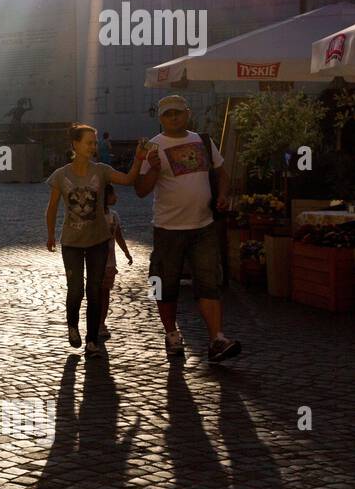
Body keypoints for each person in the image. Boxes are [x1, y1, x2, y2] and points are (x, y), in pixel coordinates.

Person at [135, 94, 241, 363]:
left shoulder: (202, 141)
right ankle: (171, 334)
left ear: (187, 113)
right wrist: (154, 170)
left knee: (209, 283)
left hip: (203, 226)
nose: (173, 118)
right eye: (168, 114)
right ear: (160, 118)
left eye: (178, 113)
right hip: (168, 228)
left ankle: (217, 339)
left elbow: (221, 173)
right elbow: (141, 190)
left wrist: (223, 195)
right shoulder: (154, 147)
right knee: (165, 285)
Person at [45, 124, 143, 357]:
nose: (93, 146)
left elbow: (129, 179)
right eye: (89, 142)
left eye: (94, 142)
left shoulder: (101, 171)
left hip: (99, 240)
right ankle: (72, 326)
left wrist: (139, 158)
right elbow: (51, 209)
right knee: (76, 288)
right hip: (71, 242)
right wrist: (50, 234)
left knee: (95, 290)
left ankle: (92, 341)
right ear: (75, 145)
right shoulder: (61, 175)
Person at [98, 184, 133, 341]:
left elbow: (118, 236)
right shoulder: (96, 217)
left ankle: (101, 323)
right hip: (96, 261)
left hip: (110, 263)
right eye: (114, 194)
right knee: (97, 293)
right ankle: (97, 323)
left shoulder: (114, 216)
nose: (116, 197)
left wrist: (126, 252)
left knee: (104, 293)